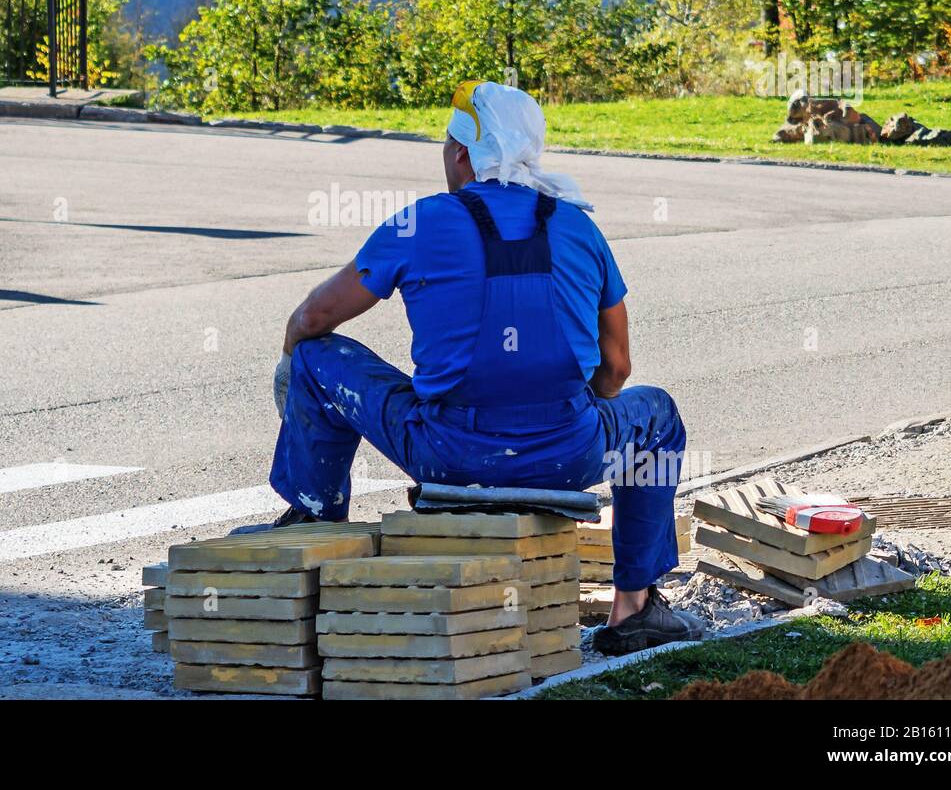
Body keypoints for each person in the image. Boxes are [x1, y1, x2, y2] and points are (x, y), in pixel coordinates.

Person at [254, 80, 698, 655]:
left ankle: (314, 529)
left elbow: (313, 318)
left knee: (317, 358)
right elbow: (616, 371)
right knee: (657, 414)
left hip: (446, 452)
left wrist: (291, 371)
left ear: (462, 153)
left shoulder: (420, 223)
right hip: (570, 454)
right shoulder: (580, 227)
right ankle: (632, 608)